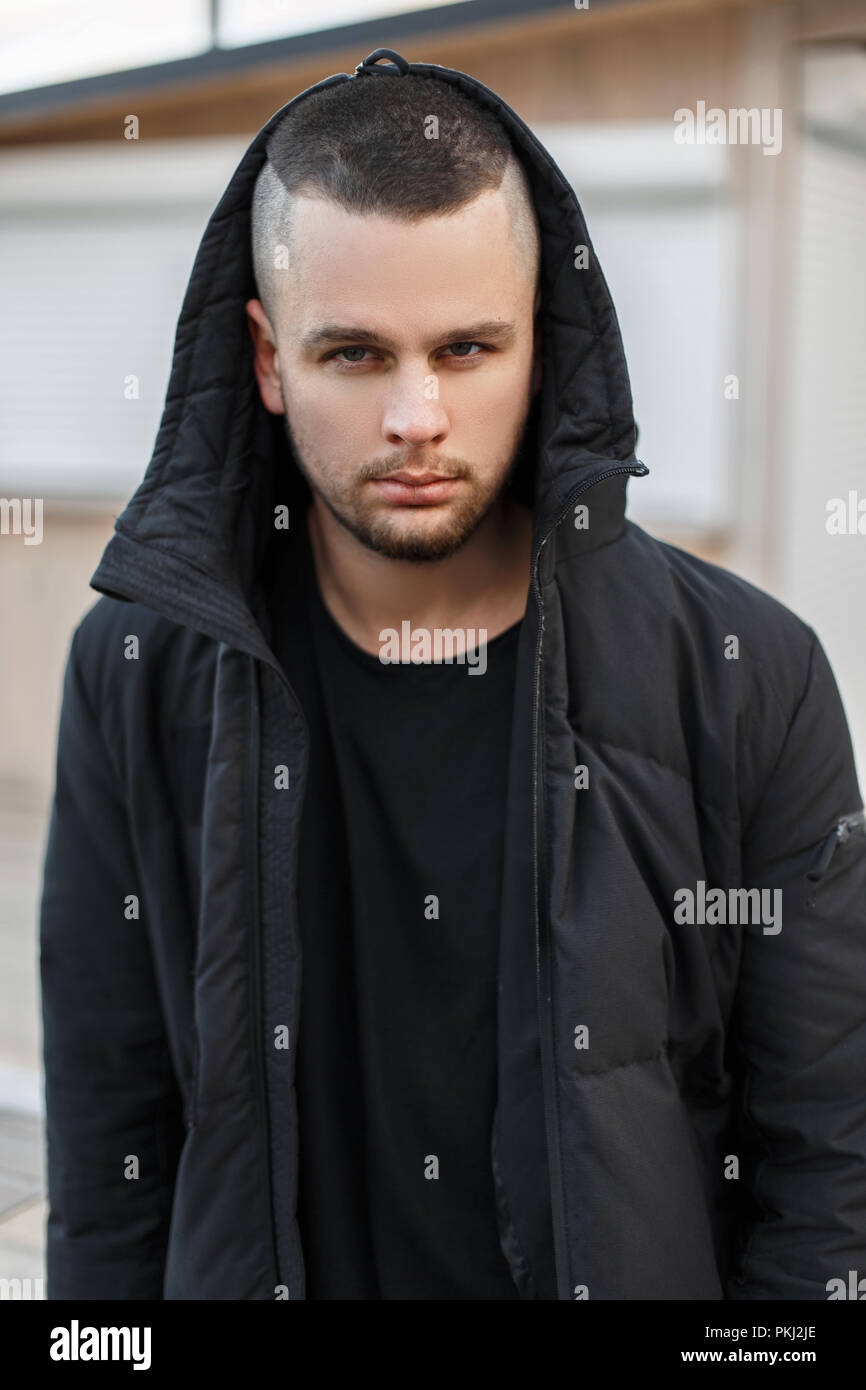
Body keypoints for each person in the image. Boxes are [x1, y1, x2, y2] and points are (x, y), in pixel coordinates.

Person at [39, 48, 866, 1301]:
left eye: (468, 349)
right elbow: (112, 1140)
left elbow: (825, 1172)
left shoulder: (746, 678)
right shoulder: (136, 670)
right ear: (267, 360)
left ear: (540, 345)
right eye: (355, 354)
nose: (414, 416)